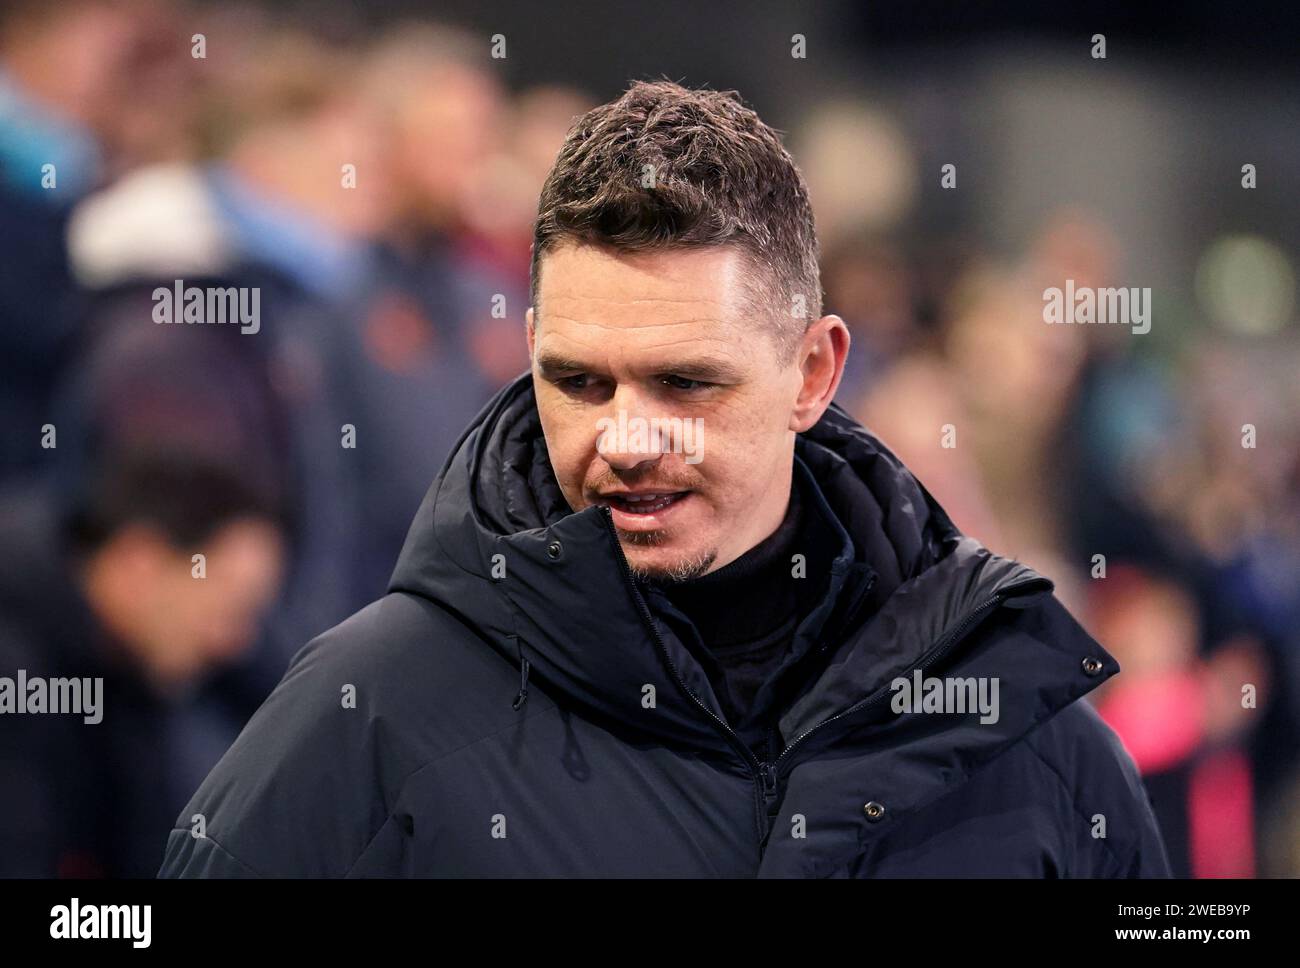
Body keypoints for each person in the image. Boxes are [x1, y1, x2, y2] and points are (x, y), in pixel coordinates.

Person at [158, 80, 1171, 877]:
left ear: (813, 371)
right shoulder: (363, 715)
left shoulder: (1021, 737)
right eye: (579, 381)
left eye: (686, 382)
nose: (627, 436)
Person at [0, 449, 287, 876]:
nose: (236, 643)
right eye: (230, 611)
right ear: (140, 565)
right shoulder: (19, 680)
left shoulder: (129, 662)